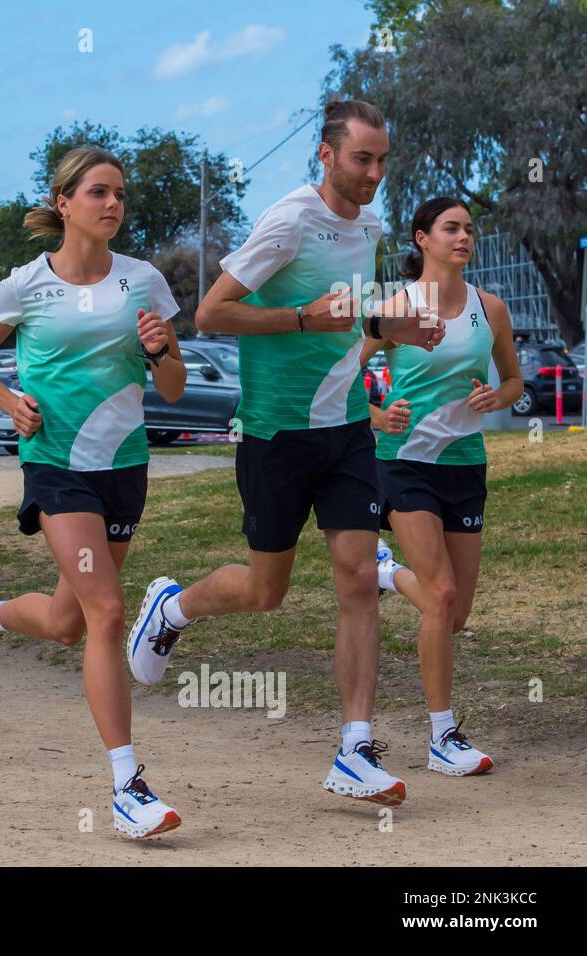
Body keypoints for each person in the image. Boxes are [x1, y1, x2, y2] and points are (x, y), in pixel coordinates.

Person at [125, 100, 443, 807]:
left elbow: (350, 314)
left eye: (383, 160)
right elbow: (211, 312)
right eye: (363, 159)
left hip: (346, 430)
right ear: (326, 156)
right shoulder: (289, 221)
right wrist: (300, 317)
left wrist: (395, 326)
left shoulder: (370, 225)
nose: (375, 174)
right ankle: (173, 610)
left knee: (359, 578)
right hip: (274, 433)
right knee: (266, 591)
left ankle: (354, 749)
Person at [0, 146, 189, 839]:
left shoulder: (144, 282)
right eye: (98, 193)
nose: (112, 205)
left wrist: (162, 348)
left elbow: (170, 388)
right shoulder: (24, 285)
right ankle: (127, 786)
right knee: (108, 611)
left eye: (119, 195)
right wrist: (7, 401)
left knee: (68, 622)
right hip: (56, 467)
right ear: (64, 202)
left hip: (124, 467)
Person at [363, 197, 521, 776]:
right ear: (421, 238)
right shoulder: (394, 307)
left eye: (470, 229)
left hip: (464, 465)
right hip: (404, 463)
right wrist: (378, 415)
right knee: (443, 593)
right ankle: (442, 736)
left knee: (452, 614)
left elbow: (513, 382)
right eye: (451, 228)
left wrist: (495, 399)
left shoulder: (491, 308)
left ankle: (386, 573)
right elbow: (342, 374)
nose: (464, 237)